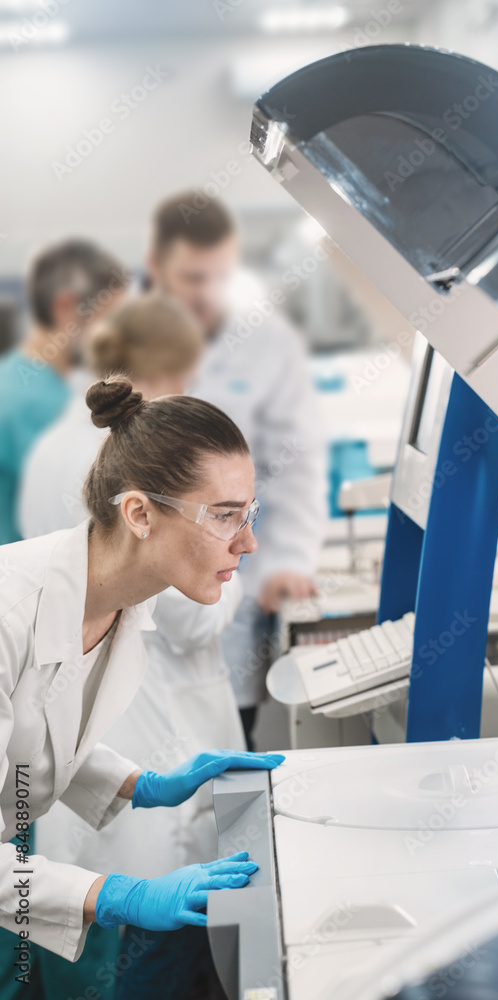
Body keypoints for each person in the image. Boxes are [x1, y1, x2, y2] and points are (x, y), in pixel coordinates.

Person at [0, 377, 284, 990]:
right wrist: (117, 894)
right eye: (226, 516)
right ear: (138, 514)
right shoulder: (8, 615)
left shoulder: (124, 601)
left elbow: (40, 728)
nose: (249, 541)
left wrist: (142, 784)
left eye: (249, 513)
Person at [147, 192, 328, 746]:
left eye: (220, 277)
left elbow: (295, 466)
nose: (207, 294)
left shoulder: (269, 344)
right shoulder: (123, 340)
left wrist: (289, 560)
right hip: (139, 608)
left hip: (232, 598)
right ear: (157, 268)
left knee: (226, 761)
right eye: (192, 277)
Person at [0, 239, 129, 546]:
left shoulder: (28, 379)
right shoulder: (34, 404)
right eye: (112, 318)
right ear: (66, 308)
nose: (122, 336)